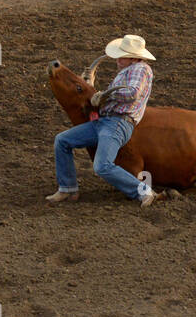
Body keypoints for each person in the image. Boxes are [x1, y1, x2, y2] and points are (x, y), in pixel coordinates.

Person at [48, 34, 160, 207]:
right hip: (105, 122)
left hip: (118, 123)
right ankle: (68, 188)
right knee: (62, 140)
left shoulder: (141, 69)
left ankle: (144, 191)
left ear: (133, 57)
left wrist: (105, 95)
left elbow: (133, 93)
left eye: (121, 55)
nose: (117, 59)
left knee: (102, 165)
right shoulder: (127, 71)